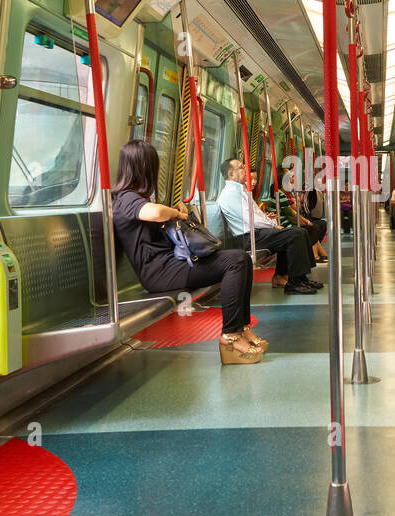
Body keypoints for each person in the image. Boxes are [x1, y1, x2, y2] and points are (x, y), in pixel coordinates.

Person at [112, 140, 265, 365]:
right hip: (159, 272)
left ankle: (240, 328)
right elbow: (154, 214)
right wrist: (178, 215)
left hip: (171, 264)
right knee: (236, 261)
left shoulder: (135, 198)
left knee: (239, 259)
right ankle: (231, 337)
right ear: (145, 168)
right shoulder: (126, 199)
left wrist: (174, 211)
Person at [218, 158, 322, 294]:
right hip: (250, 238)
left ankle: (296, 278)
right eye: (241, 167)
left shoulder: (241, 191)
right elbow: (250, 219)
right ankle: (294, 283)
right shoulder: (231, 194)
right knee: (295, 234)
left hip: (258, 234)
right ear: (231, 174)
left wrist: (272, 224)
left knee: (297, 232)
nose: (245, 168)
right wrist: (274, 225)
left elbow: (257, 215)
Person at [299, 188, 329, 262]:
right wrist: (307, 221)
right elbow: (296, 211)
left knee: (323, 224)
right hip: (299, 219)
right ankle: (315, 255)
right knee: (313, 227)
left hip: (303, 218)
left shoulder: (291, 195)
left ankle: (315, 251)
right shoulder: (293, 195)